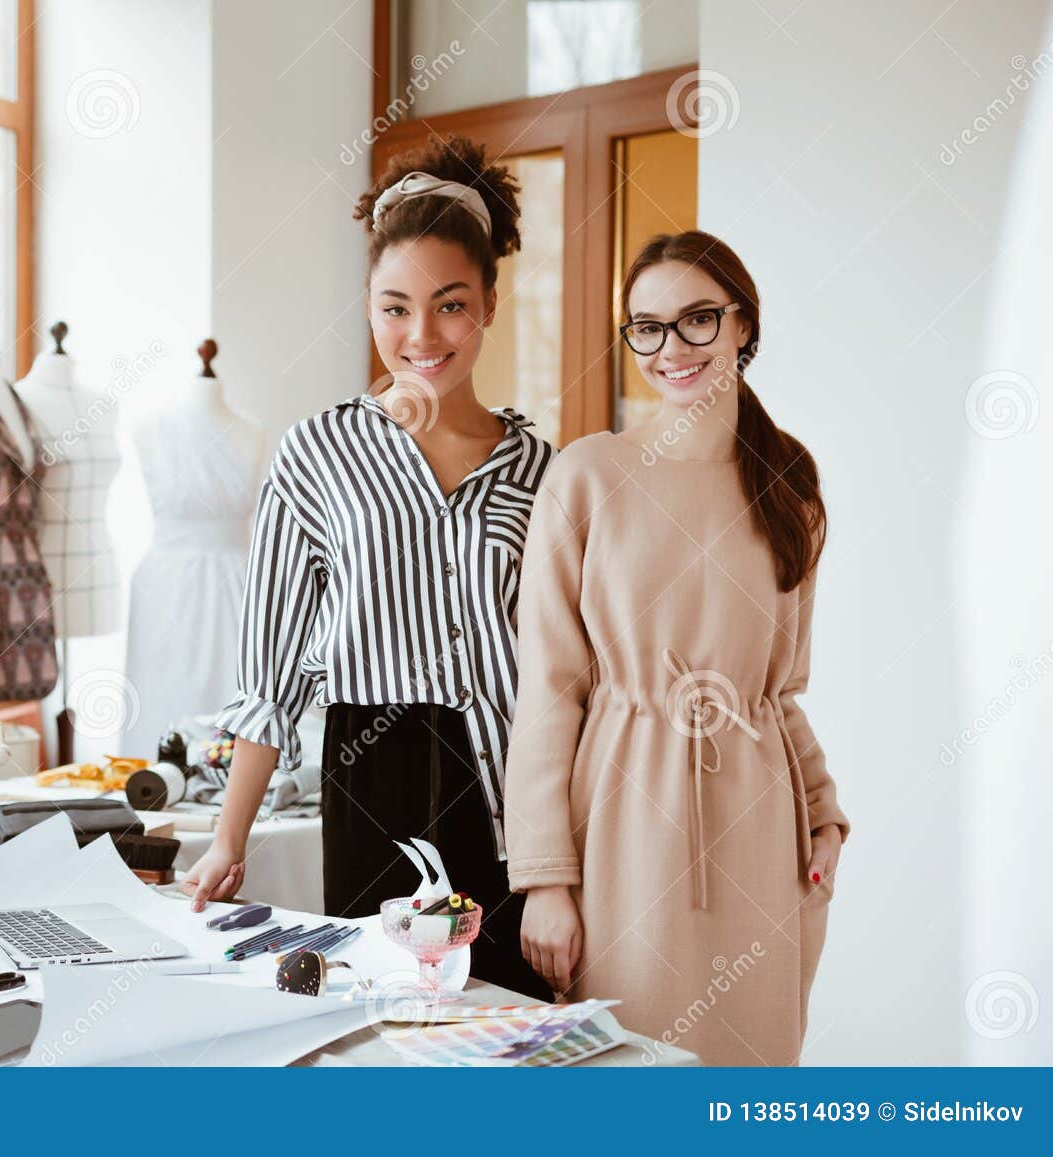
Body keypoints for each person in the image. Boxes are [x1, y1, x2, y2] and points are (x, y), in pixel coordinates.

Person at [184, 136, 554, 1000]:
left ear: (490, 305)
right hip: (373, 771)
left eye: (450, 305)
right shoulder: (318, 453)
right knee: (387, 1024)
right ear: (367, 307)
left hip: (513, 782)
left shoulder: (542, 470)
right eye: (395, 307)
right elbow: (271, 671)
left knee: (511, 1030)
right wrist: (228, 836)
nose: (421, 335)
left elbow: (571, 674)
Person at [507, 230, 850, 1064]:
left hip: (762, 830)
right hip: (622, 825)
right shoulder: (587, 475)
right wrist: (547, 879)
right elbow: (549, 691)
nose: (671, 349)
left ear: (742, 325)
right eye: (647, 327)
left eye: (697, 319)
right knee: (627, 1079)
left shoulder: (790, 483)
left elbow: (782, 690)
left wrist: (826, 813)